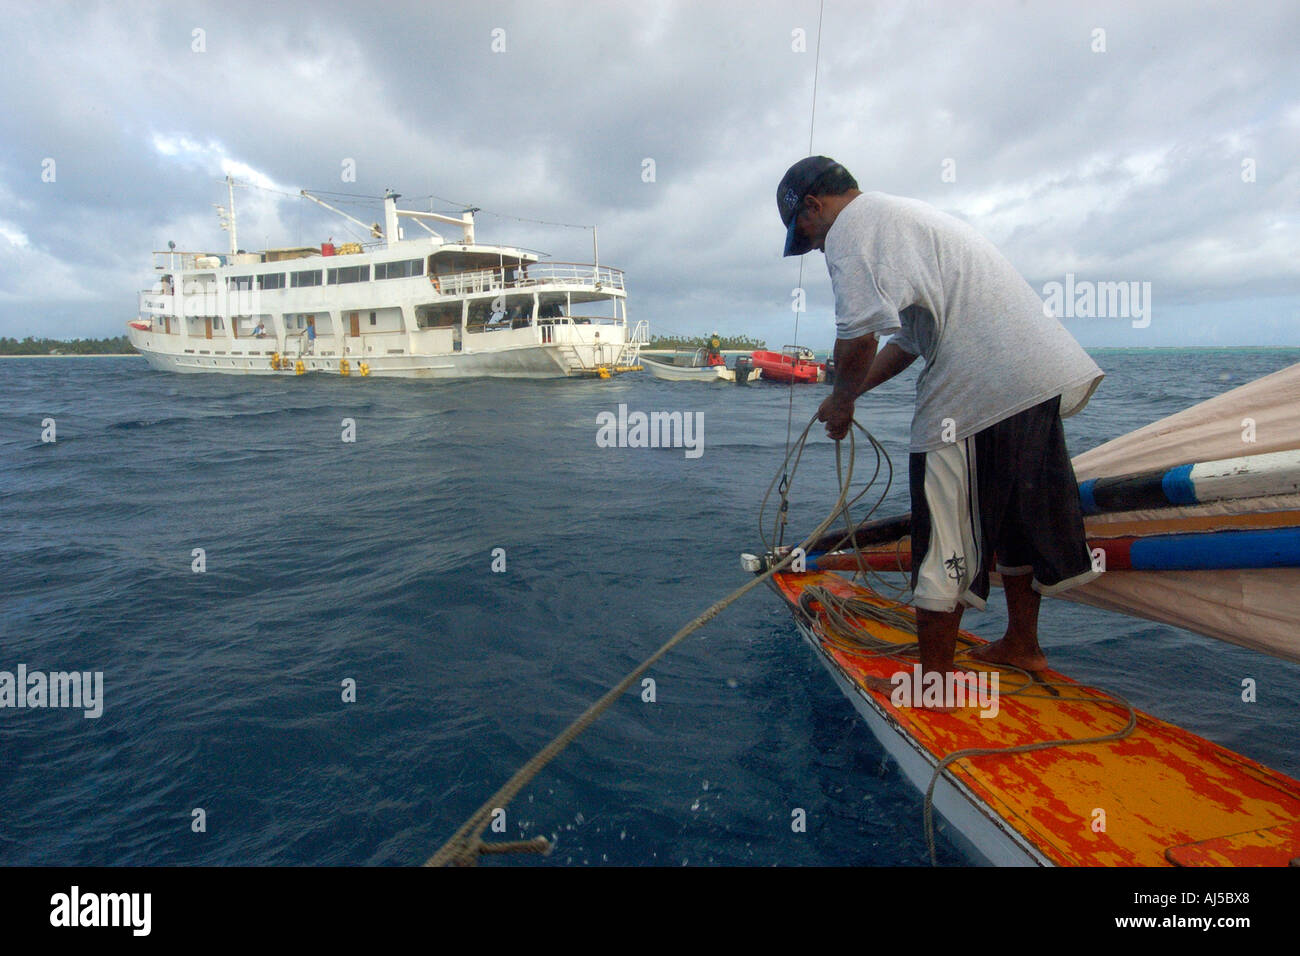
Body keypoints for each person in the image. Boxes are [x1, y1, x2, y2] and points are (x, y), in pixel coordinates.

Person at [776, 156, 1104, 703]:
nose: (810, 247)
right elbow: (907, 341)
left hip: (978, 383)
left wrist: (838, 398)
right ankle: (1023, 644)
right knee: (1018, 521)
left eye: (804, 233)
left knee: (942, 533)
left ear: (814, 205)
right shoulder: (903, 219)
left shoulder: (852, 233)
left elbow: (858, 339)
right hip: (1037, 374)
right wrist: (851, 397)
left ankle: (934, 684)